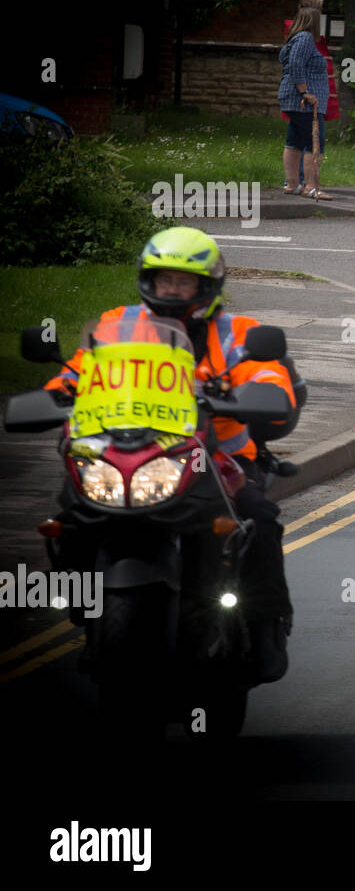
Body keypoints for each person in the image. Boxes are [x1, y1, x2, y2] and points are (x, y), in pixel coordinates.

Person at [43, 227, 300, 682]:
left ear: (207, 285)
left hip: (216, 455)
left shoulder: (239, 332)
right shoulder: (117, 324)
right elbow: (78, 372)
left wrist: (253, 393)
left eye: (184, 281)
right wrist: (58, 392)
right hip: (125, 450)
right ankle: (85, 612)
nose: (174, 289)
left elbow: (270, 376)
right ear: (149, 279)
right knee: (73, 511)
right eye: (166, 280)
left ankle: (264, 626)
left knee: (259, 517)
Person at [281, 0, 340, 194]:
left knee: (294, 142)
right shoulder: (305, 38)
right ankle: (311, 187)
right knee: (315, 143)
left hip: (298, 102)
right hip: (305, 102)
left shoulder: (296, 38)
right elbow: (296, 65)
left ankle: (292, 184)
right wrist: (305, 92)